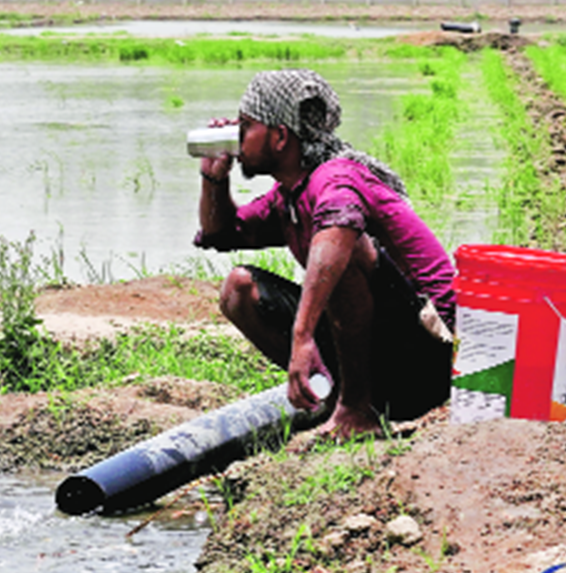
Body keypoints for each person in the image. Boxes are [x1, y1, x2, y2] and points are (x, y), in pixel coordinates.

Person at [195, 69, 456, 440]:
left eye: (247, 126)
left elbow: (339, 234)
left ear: (280, 136)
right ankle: (337, 400)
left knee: (344, 251)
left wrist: (302, 336)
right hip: (386, 353)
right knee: (240, 288)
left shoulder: (337, 178)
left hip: (429, 357)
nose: (237, 138)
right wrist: (214, 179)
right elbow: (221, 233)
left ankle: (357, 409)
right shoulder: (290, 193)